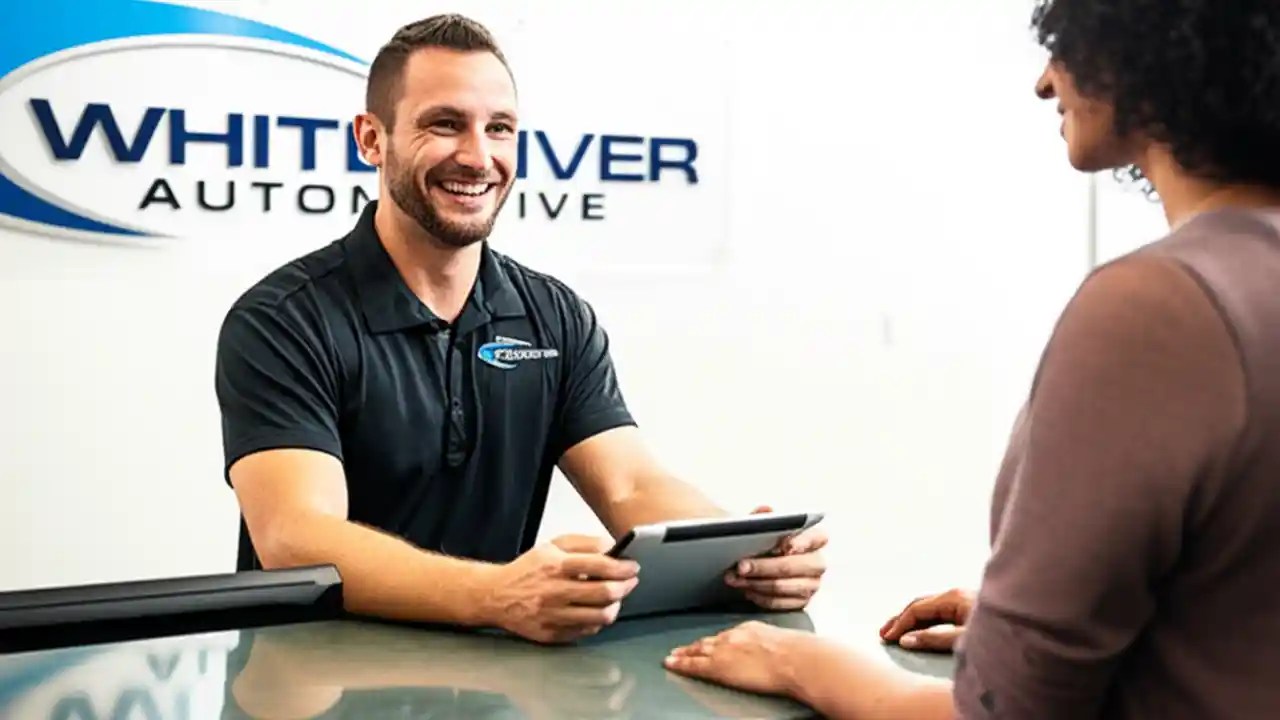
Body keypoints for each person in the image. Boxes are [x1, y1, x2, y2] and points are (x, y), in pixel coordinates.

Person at [663, 1, 1280, 717]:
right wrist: (1030, 630)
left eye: (1066, 47)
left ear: (1142, 53)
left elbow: (1001, 714)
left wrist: (806, 664)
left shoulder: (1160, 305)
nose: (1046, 85)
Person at [214, 14, 828, 645]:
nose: (479, 157)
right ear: (372, 139)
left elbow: (631, 485)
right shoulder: (283, 320)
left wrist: (748, 557)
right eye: (445, 123)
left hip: (491, 681)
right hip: (313, 682)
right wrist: (496, 594)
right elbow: (296, 537)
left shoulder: (555, 318)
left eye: (499, 129)